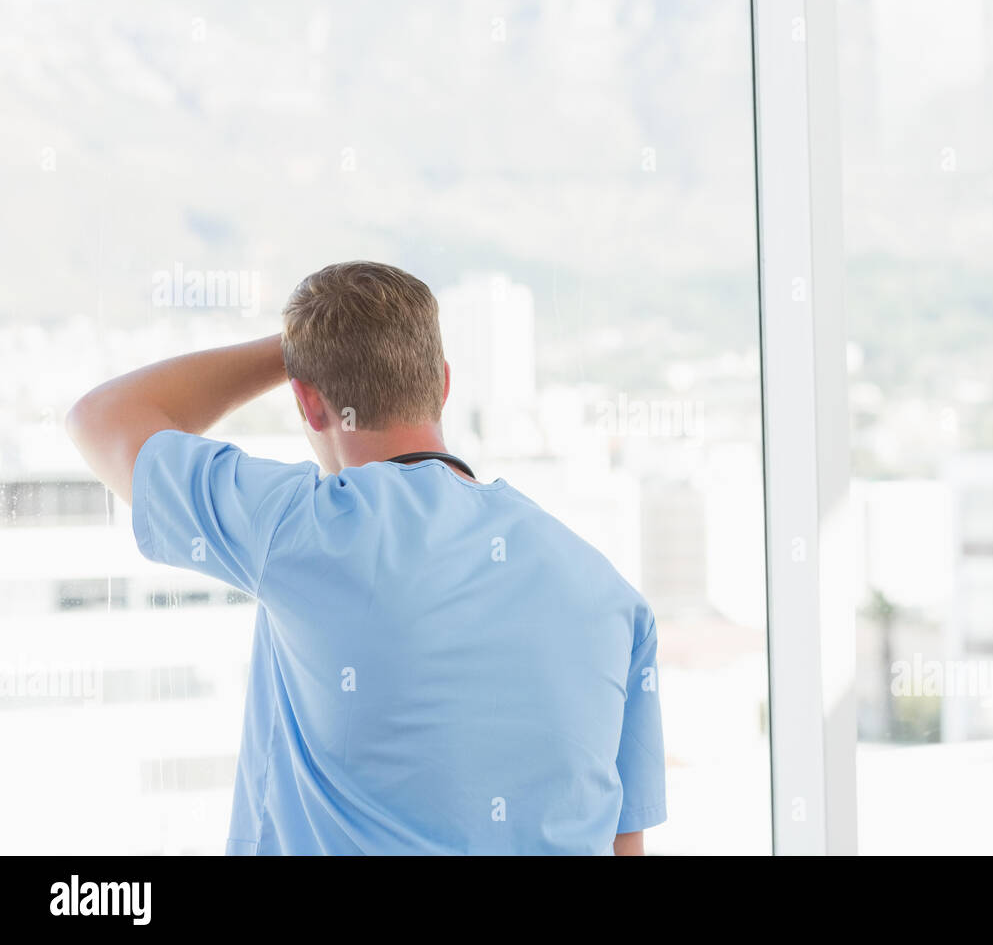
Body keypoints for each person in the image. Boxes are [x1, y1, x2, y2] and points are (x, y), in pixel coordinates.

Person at [66, 261, 666, 855]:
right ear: (444, 384)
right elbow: (624, 846)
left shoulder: (301, 528)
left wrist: (294, 350)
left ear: (308, 403)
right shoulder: (610, 596)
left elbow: (101, 419)